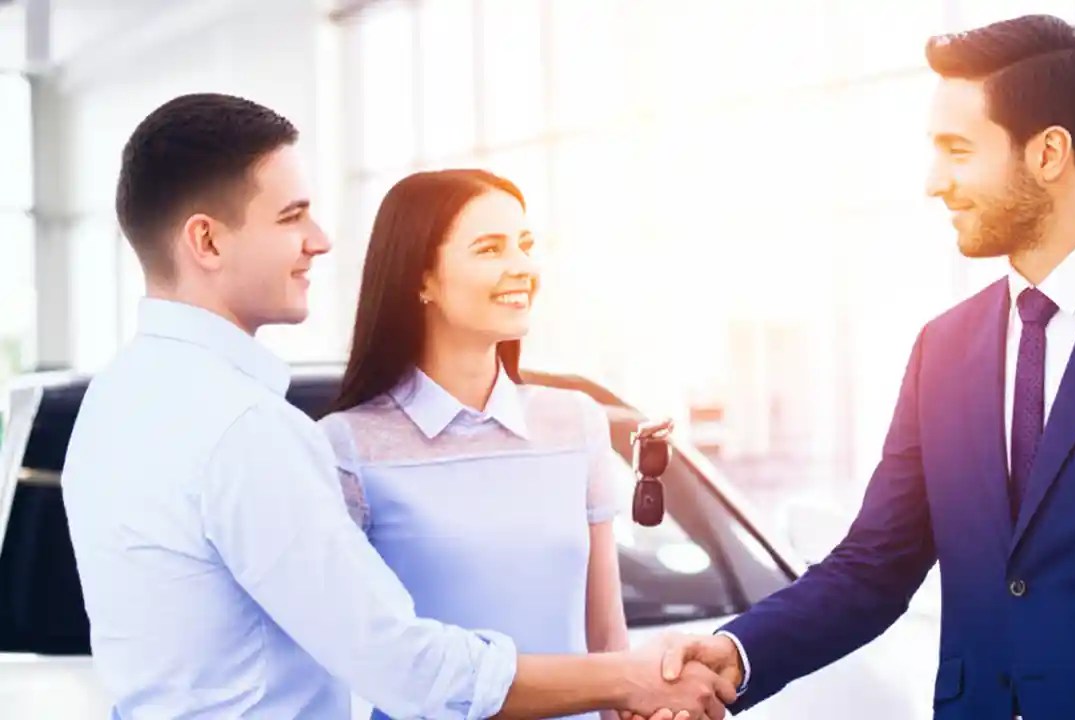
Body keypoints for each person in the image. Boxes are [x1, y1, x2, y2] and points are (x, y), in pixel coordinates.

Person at [656, 14, 1075, 720]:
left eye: (957, 151)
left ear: (1048, 153)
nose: (935, 183)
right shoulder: (942, 349)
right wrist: (739, 652)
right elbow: (874, 566)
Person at [61, 93, 732, 720]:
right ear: (207, 241)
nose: (320, 240)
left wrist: (623, 678)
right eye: (292, 217)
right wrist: (627, 677)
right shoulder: (249, 430)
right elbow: (403, 667)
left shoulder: (112, 408)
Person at [318, 168, 647, 720]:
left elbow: (609, 642)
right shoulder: (348, 446)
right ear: (421, 279)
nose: (522, 266)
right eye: (490, 249)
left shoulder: (575, 424)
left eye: (525, 245)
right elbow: (350, 653)